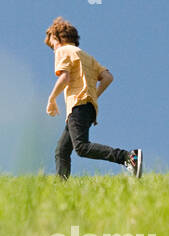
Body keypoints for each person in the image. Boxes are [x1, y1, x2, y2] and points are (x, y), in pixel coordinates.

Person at [43, 17, 142, 179]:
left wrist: (52, 98)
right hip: (88, 107)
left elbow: (64, 77)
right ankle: (61, 188)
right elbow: (108, 77)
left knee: (81, 147)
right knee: (61, 150)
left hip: (77, 105)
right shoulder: (86, 56)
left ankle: (128, 157)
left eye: (52, 45)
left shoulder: (62, 51)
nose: (53, 49)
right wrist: (93, 95)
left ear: (56, 38)